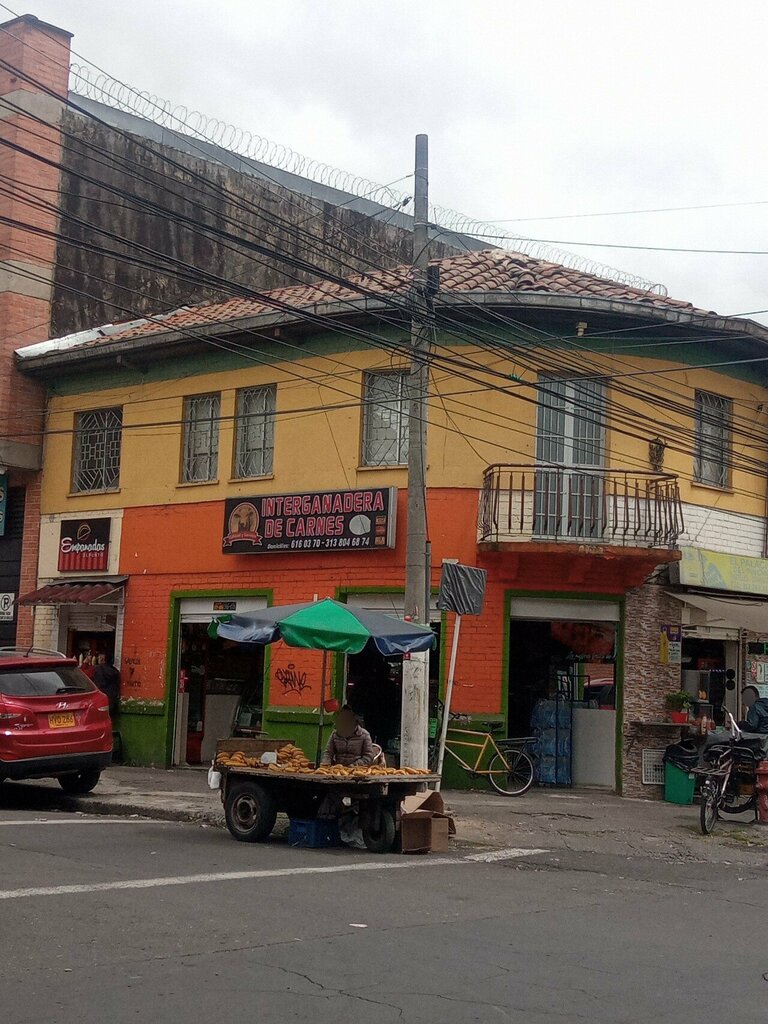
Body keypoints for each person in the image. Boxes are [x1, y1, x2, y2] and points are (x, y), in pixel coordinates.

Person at [93, 654, 121, 719]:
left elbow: (98, 684)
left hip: (102, 701)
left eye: (99, 658)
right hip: (113, 701)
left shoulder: (99, 669)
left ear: (102, 660)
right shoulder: (115, 671)